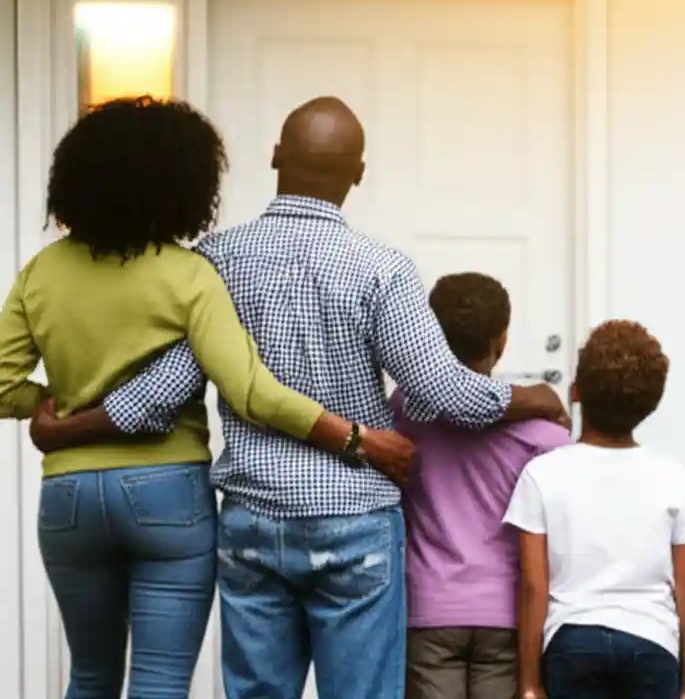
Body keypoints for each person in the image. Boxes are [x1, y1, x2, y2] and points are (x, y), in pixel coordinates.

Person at [31, 96, 568, 699]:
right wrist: (532, 397)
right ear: (359, 172)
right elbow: (441, 388)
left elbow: (165, 389)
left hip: (252, 520)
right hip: (355, 520)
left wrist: (65, 428)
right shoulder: (381, 269)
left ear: (275, 156)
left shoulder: (217, 261)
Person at [0, 96, 414, 699]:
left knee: (88, 676)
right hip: (166, 496)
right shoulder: (188, 274)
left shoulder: (42, 272)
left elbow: (2, 383)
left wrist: (49, 408)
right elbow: (249, 389)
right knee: (160, 681)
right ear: (183, 181)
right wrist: (354, 436)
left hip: (68, 499)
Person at [503, 321, 685, 699]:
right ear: (652, 401)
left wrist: (530, 684)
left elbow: (534, 585)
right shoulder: (675, 479)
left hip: (572, 645)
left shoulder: (541, 474)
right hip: (652, 645)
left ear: (576, 392)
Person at [393, 272, 572, 699]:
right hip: (505, 616)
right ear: (502, 339)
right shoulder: (542, 436)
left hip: (429, 611)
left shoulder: (403, 411)